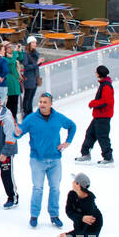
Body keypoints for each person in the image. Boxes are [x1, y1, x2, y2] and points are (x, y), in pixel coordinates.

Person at [14, 92, 77, 229]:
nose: (42, 104)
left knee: (55, 188)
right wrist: (17, 133)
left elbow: (72, 126)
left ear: (50, 104)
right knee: (38, 188)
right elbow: (20, 132)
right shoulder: (31, 119)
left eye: (45, 102)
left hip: (55, 160)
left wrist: (68, 142)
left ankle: (54, 215)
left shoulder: (58, 118)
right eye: (40, 102)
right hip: (37, 160)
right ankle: (34, 215)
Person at [77, 64, 114, 164]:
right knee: (90, 134)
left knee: (102, 136)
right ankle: (85, 154)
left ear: (99, 73)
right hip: (99, 116)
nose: (95, 73)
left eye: (96, 72)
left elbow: (105, 101)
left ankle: (108, 157)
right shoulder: (103, 84)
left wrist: (93, 103)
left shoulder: (106, 86)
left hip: (103, 116)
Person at [20, 36, 41, 115]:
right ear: (29, 44)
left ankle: (30, 111)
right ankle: (26, 112)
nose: (35, 44)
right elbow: (26, 66)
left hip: (35, 78)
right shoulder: (25, 54)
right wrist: (37, 64)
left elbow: (35, 65)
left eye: (35, 42)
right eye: (33, 43)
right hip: (29, 79)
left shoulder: (34, 53)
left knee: (31, 97)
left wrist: (39, 62)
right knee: (28, 97)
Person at [2, 41, 23, 119]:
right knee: (11, 102)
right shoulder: (4, 59)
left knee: (15, 101)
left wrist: (19, 51)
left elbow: (20, 58)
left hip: (15, 81)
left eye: (11, 47)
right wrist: (15, 51)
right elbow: (11, 62)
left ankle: (13, 118)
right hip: (10, 82)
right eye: (9, 47)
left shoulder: (12, 56)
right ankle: (11, 118)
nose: (11, 49)